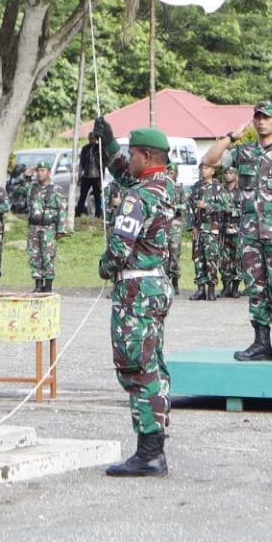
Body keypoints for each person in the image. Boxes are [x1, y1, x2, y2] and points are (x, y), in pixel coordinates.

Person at [200, 100, 272, 362]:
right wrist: (230, 137)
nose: (262, 121)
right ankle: (261, 343)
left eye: (267, 117)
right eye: (258, 117)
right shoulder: (243, 152)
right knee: (255, 287)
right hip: (250, 231)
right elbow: (208, 160)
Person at [93, 117, 173, 477]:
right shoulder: (165, 186)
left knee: (136, 368)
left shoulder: (139, 196)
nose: (128, 159)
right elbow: (127, 173)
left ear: (144, 155)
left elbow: (119, 248)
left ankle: (148, 453)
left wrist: (104, 266)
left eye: (130, 153)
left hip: (135, 290)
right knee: (152, 364)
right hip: (156, 285)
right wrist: (108, 145)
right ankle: (153, 446)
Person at [187, 164, 223, 301]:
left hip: (212, 228)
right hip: (198, 227)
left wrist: (207, 206)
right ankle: (200, 288)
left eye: (206, 168)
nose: (203, 171)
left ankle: (211, 288)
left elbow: (225, 206)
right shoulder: (195, 187)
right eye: (201, 168)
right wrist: (192, 226)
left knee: (211, 258)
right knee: (198, 258)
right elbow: (189, 207)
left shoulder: (218, 187)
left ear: (212, 171)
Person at [25, 161, 63, 292]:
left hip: (48, 228)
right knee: (34, 255)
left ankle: (48, 285)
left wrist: (61, 229)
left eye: (43, 171)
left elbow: (61, 209)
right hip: (34, 227)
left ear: (49, 172)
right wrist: (26, 176)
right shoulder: (32, 187)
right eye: (38, 171)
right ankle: (38, 284)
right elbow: (16, 188)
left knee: (48, 255)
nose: (40, 174)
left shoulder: (55, 189)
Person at [218, 165, 242, 298]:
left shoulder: (241, 191)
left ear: (236, 175)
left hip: (238, 231)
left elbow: (247, 209)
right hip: (224, 230)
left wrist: (232, 211)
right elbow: (215, 206)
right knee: (224, 259)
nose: (228, 175)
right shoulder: (220, 191)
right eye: (226, 173)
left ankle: (235, 287)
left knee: (238, 259)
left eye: (231, 173)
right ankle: (226, 287)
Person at [75, 139, 103, 218]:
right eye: (90, 138)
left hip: (96, 176)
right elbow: (81, 163)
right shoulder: (85, 148)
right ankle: (78, 213)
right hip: (86, 176)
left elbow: (102, 164)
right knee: (82, 196)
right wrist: (79, 176)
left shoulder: (99, 148)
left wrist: (102, 178)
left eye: (93, 138)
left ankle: (98, 214)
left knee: (97, 196)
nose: (91, 140)